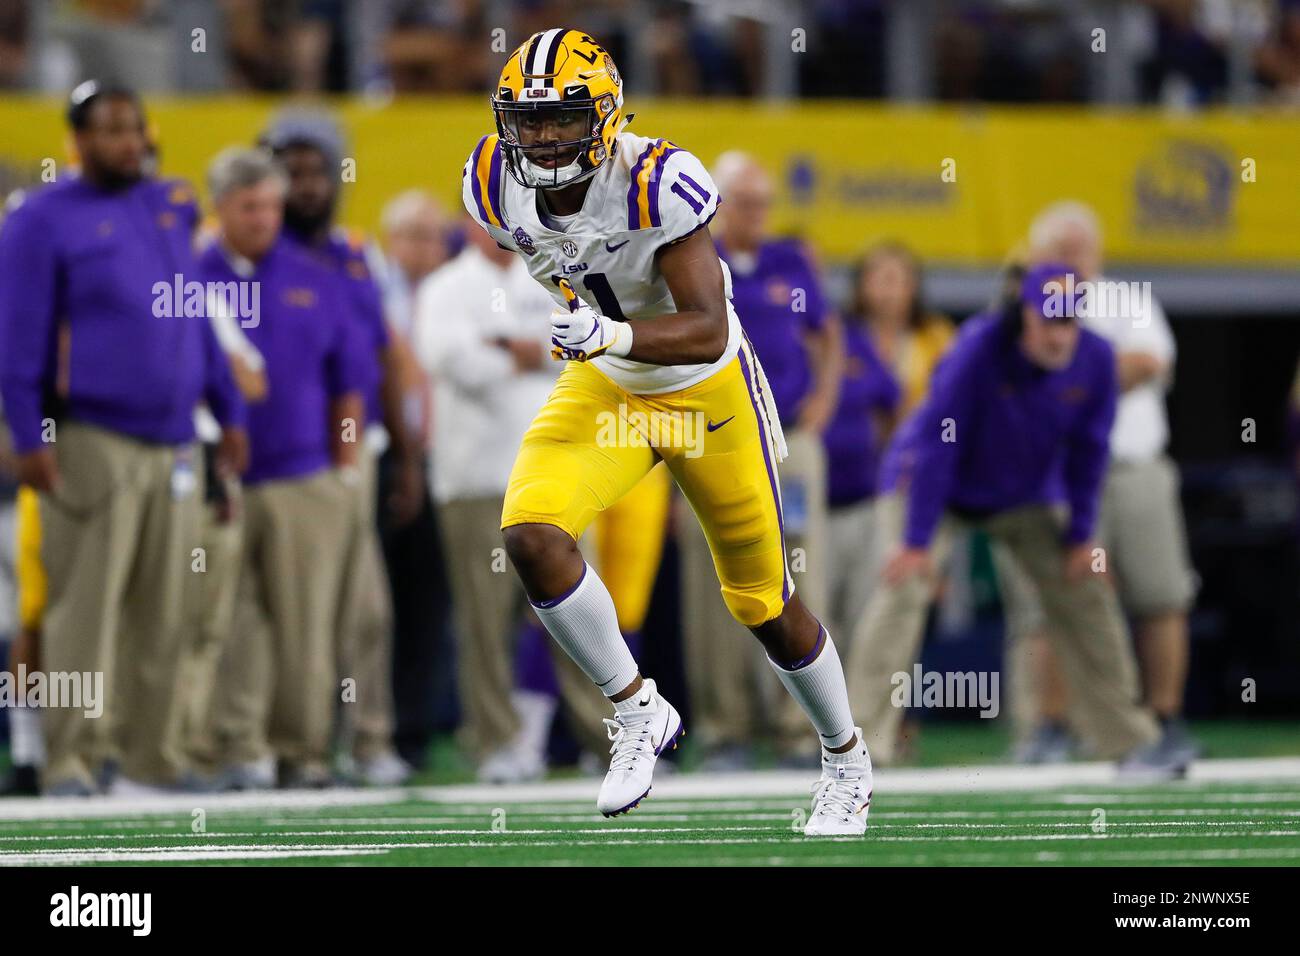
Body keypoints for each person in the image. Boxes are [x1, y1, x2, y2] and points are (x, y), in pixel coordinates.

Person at [461, 29, 872, 834]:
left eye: (563, 117)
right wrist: (602, 343)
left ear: (606, 115)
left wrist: (607, 334)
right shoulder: (489, 180)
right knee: (531, 535)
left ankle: (845, 757)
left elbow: (710, 329)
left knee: (762, 601)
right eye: (529, 120)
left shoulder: (656, 182)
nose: (542, 138)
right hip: (607, 388)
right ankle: (637, 708)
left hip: (702, 392)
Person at [0, 82, 248, 795]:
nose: (123, 143)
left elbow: (192, 310)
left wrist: (226, 407)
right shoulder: (39, 220)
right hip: (90, 435)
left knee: (166, 608)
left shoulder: (168, 204)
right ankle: (70, 760)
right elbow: (17, 342)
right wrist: (30, 436)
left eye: (131, 128)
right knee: (84, 608)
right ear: (75, 142)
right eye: (106, 131)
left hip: (173, 438)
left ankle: (151, 759)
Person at [850, 260, 1187, 778]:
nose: (1060, 334)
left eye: (1070, 319)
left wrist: (1080, 538)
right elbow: (941, 445)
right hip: (935, 485)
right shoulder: (977, 349)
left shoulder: (1096, 359)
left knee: (1087, 589)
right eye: (1049, 319)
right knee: (902, 587)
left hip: (1026, 494)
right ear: (1023, 315)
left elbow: (1090, 452)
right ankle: (856, 747)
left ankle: (1129, 741)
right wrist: (916, 543)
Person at [1004, 201, 1199, 764]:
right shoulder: (1019, 308)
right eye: (1058, 249)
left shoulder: (1126, 299)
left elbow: (1150, 361)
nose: (1070, 259)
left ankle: (1162, 719)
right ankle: (1049, 727)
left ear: (1098, 253)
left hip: (1132, 468)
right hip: (1052, 477)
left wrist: (1070, 377)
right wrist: (1094, 376)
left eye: (1079, 248)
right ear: (1037, 255)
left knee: (1161, 594)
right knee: (1049, 602)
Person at [197, 147, 366, 789]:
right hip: (223, 477)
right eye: (249, 206)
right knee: (225, 623)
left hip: (303, 474)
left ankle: (303, 754)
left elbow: (350, 378)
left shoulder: (314, 273)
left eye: (271, 204)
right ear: (221, 208)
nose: (265, 217)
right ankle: (235, 750)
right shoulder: (189, 275)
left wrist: (345, 466)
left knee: (305, 628)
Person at [262, 112, 416, 785]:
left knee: (366, 611)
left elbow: (390, 358)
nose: (303, 186)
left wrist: (409, 456)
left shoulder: (357, 255)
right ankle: (290, 748)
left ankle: (369, 741)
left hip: (357, 455)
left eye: (314, 171)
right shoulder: (248, 253)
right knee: (289, 617)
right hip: (284, 456)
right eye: (289, 172)